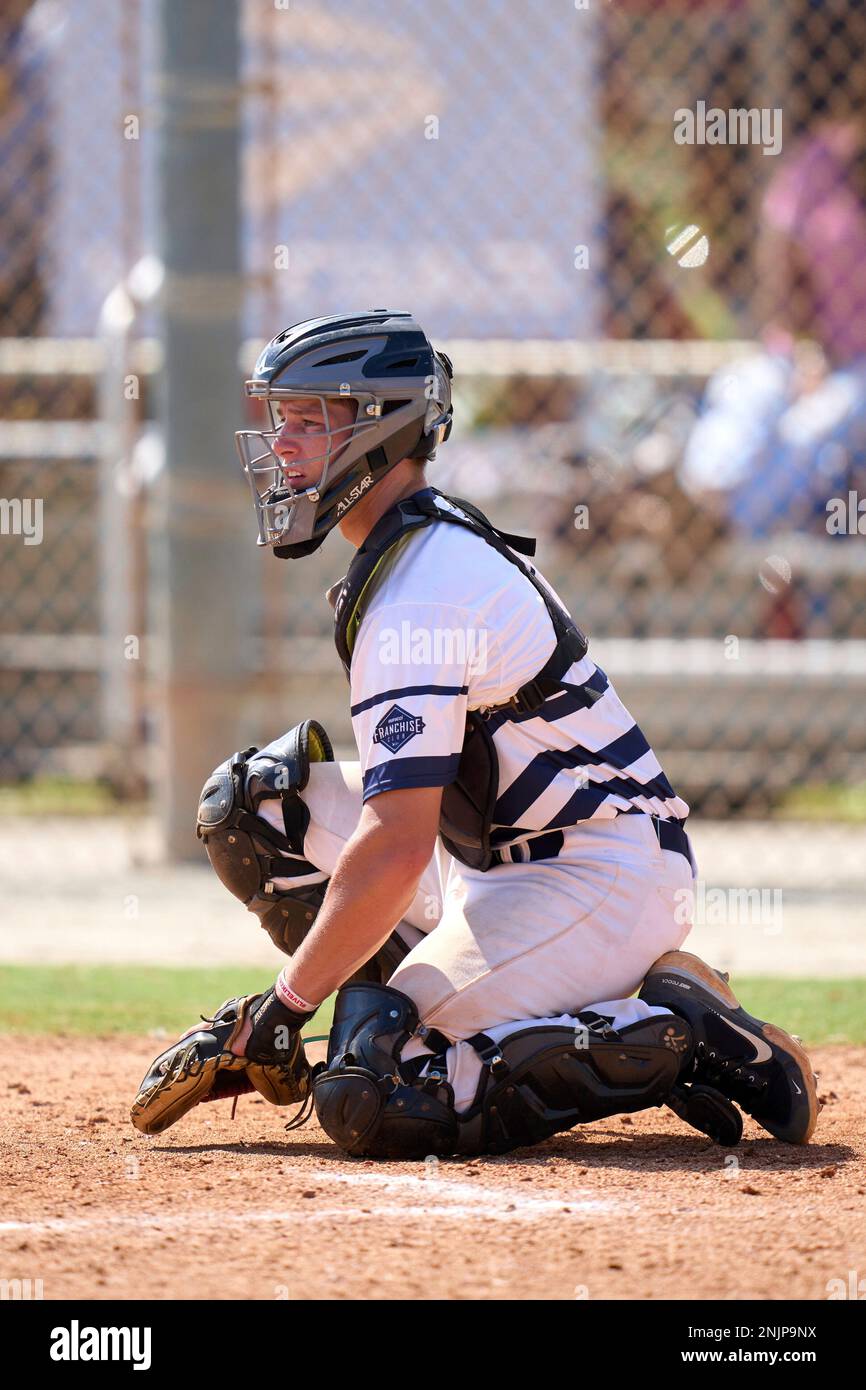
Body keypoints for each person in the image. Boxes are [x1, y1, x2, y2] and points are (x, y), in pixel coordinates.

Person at [131, 311, 819, 1158]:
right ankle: (413, 1013)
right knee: (255, 807)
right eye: (284, 418)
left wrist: (284, 1007)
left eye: (312, 420)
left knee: (369, 1095)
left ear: (380, 430)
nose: (285, 445)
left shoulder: (426, 587)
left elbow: (394, 845)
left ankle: (670, 1031)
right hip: (497, 856)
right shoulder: (408, 551)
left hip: (595, 876)